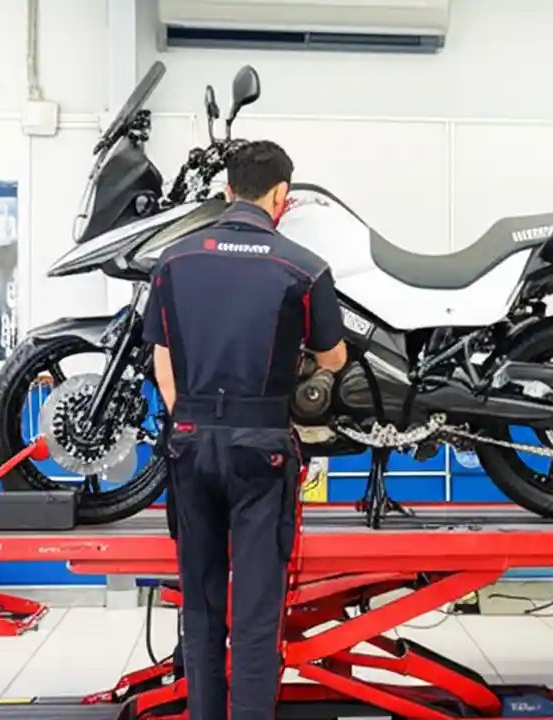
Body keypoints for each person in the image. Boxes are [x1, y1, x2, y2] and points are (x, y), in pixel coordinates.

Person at [141, 139, 347, 720]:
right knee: (255, 620)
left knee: (202, 616)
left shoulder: (174, 260)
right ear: (280, 196)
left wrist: (191, 418)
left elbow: (162, 359)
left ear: (227, 191)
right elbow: (333, 358)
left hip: (190, 444)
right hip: (262, 453)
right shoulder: (303, 268)